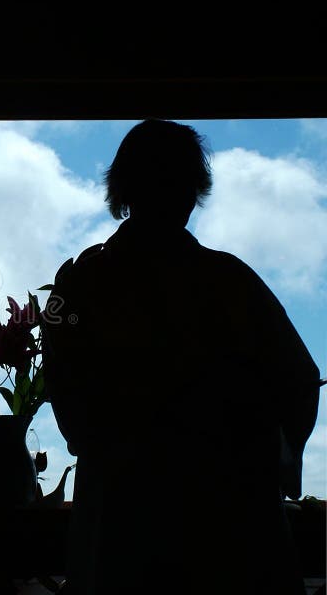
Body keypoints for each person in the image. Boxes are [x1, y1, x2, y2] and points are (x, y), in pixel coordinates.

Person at [41, 119, 320, 594]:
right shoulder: (231, 279)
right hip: (232, 528)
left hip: (120, 523)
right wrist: (264, 459)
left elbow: (69, 404)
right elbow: (299, 379)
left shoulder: (77, 286)